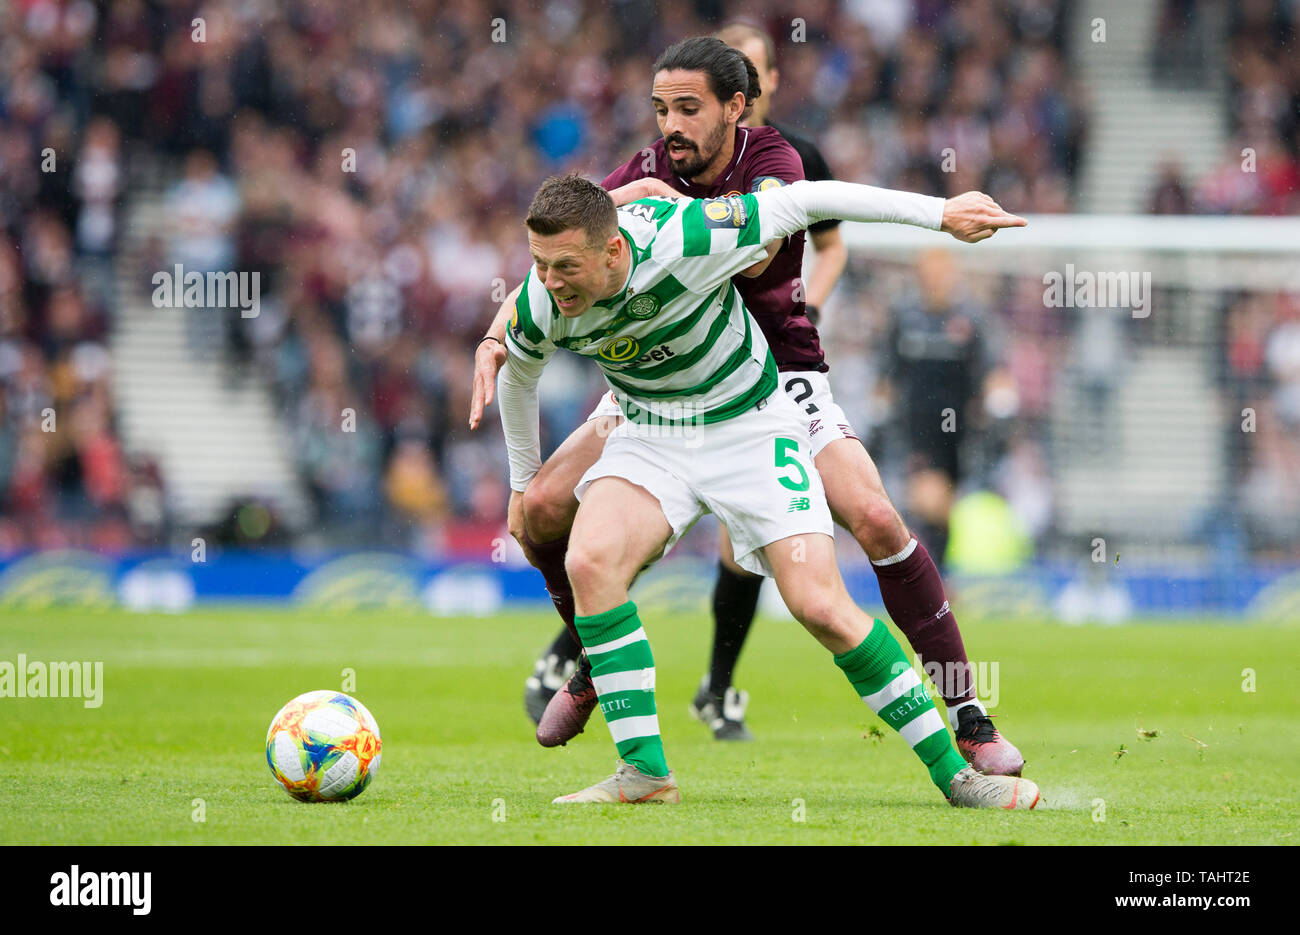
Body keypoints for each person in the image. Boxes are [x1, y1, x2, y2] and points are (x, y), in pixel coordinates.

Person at [473, 37, 1026, 776]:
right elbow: (562, 249)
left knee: (876, 518)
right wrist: (496, 332)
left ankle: (966, 713)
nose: (670, 123)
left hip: (777, 374)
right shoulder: (645, 167)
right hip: (662, 380)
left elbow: (766, 247)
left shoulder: (778, 158)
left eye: (688, 107)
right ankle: (594, 662)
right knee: (535, 511)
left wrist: (937, 214)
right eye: (661, 108)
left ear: (742, 101)